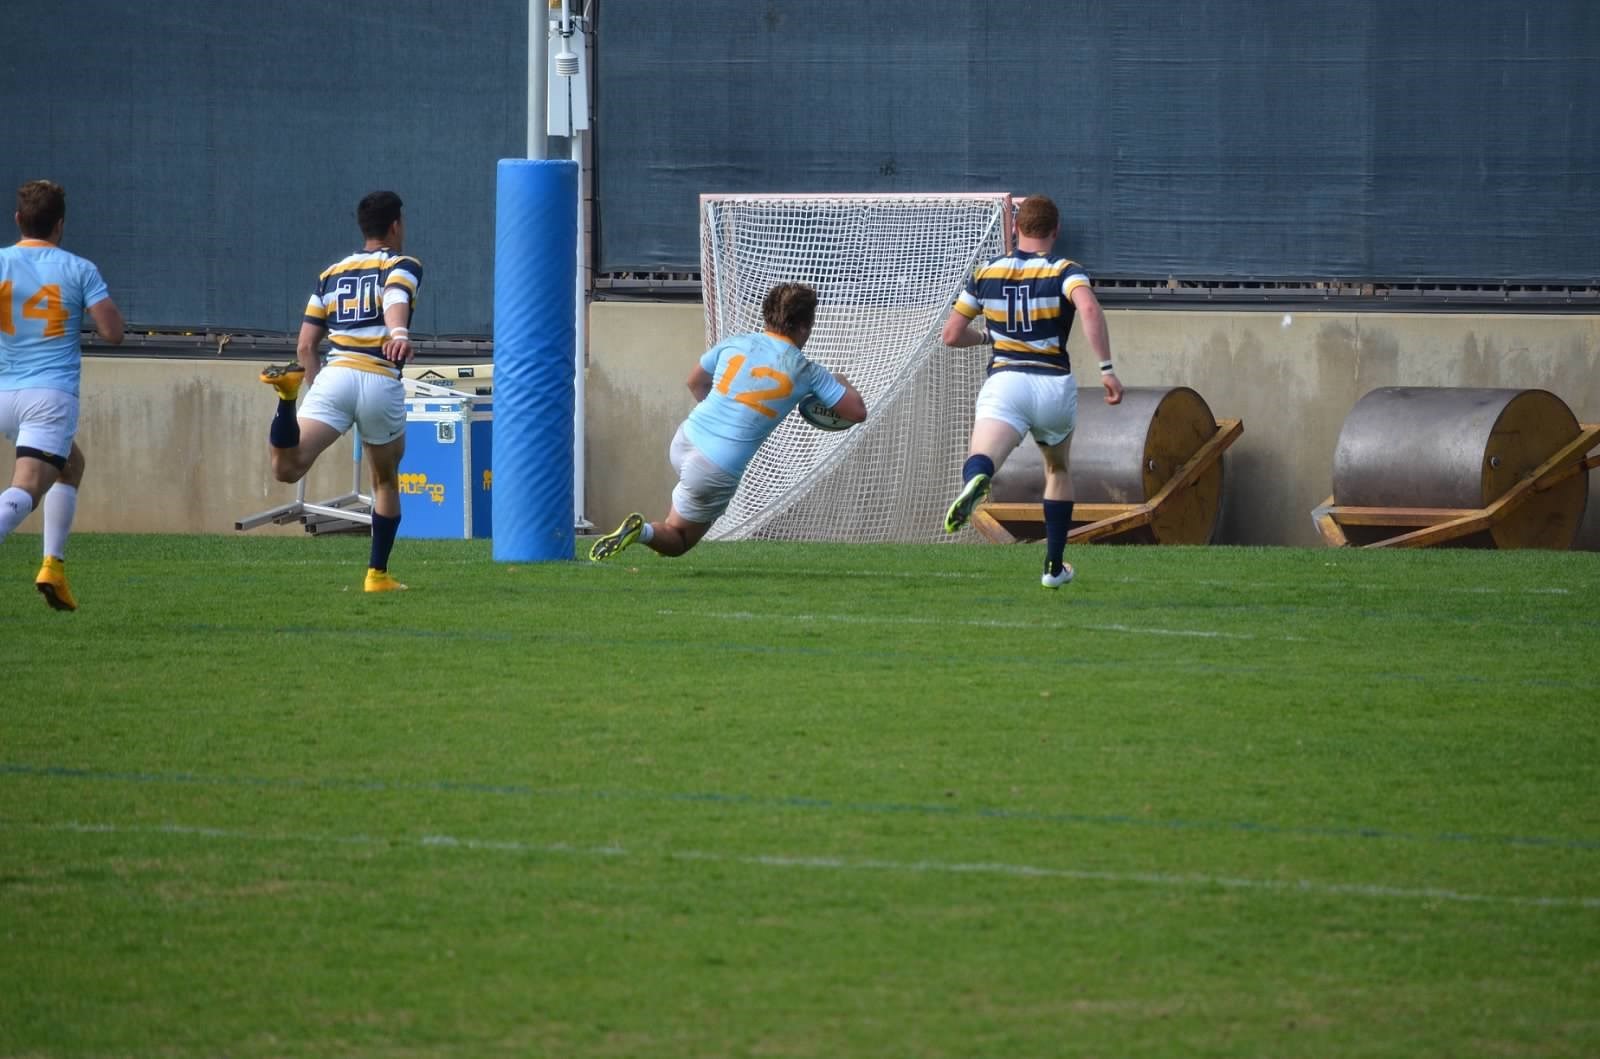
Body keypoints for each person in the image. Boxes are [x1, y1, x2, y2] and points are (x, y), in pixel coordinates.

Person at [590, 281, 866, 561]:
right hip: (716, 465)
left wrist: (726, 418)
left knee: (685, 505)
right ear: (805, 326)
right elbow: (856, 413)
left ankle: (649, 529)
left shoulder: (736, 343)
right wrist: (842, 382)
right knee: (680, 539)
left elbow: (694, 382)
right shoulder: (806, 371)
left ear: (767, 314)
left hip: (687, 438)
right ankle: (642, 532)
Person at [939, 195, 1122, 589]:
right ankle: (1054, 567)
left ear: (1015, 228)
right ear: (1055, 231)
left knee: (983, 456)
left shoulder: (986, 272)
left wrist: (987, 335)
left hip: (1006, 381)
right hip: (1053, 385)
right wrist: (1107, 369)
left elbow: (951, 335)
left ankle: (977, 479)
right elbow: (1088, 309)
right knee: (1057, 469)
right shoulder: (1065, 270)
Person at [260, 190, 421, 592]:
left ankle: (286, 399)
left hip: (336, 375)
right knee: (384, 479)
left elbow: (304, 347)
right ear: (396, 226)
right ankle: (377, 576)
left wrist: (320, 391)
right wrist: (398, 331)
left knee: (286, 467)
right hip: (380, 378)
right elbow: (395, 294)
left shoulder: (331, 273)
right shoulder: (402, 263)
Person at [0, 180, 125, 611]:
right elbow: (113, 332)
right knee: (27, 488)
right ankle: (50, 564)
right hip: (48, 396)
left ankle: (53, 567)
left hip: (4, 393)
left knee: (71, 465)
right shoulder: (78, 268)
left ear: (18, 220)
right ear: (60, 225)